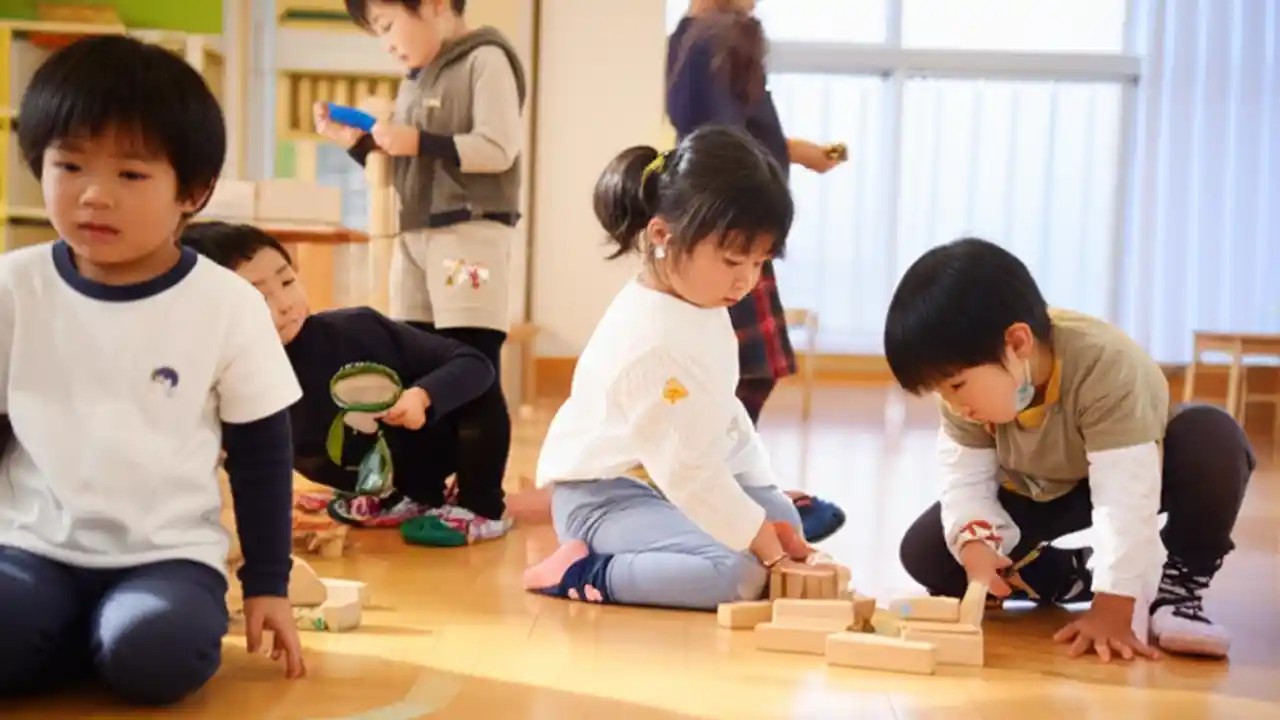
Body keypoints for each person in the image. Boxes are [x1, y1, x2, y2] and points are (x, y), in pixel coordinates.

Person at [0, 36, 305, 706]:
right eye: (70, 165)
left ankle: (87, 642)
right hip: (28, 548)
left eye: (131, 175)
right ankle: (68, 636)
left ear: (192, 192)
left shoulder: (228, 304)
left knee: (155, 651)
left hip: (164, 560)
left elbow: (261, 454)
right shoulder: (13, 288)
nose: (93, 196)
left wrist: (267, 585)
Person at [886, 237, 1254, 661]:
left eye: (954, 386)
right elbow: (964, 481)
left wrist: (1115, 604)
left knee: (1213, 440)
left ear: (1019, 343)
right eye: (939, 391)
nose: (953, 404)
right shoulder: (964, 390)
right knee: (927, 553)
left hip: (1131, 471)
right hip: (1035, 486)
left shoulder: (1106, 364)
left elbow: (1125, 494)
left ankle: (1177, 593)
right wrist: (976, 545)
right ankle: (1068, 577)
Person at [523, 126, 815, 610]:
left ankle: (729, 532)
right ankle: (584, 571)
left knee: (782, 520)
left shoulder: (700, 300)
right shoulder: (653, 343)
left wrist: (763, 498)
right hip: (606, 498)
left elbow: (723, 415)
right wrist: (757, 539)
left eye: (760, 262)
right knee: (736, 571)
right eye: (732, 260)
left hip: (667, 480)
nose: (747, 280)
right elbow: (689, 471)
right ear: (661, 235)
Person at [183, 222, 513, 543]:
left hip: (435, 439)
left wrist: (423, 396)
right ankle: (410, 496)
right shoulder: (220, 378)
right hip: (370, 465)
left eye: (287, 282)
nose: (285, 304)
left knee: (476, 393)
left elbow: (474, 364)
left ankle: (481, 507)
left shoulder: (355, 330)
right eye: (258, 297)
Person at [667, 0, 847, 542]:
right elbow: (726, 138)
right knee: (748, 366)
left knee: (734, 366)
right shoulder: (723, 37)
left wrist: (794, 151)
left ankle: (722, 487)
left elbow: (728, 132)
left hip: (719, 222)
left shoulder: (694, 35)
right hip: (729, 223)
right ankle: (715, 492)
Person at [318, 0, 526, 407]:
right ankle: (432, 469)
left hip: (468, 233)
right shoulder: (416, 78)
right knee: (416, 363)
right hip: (416, 234)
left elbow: (499, 148)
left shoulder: (487, 59)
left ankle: (478, 474)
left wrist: (417, 141)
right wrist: (359, 146)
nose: (387, 44)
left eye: (386, 25)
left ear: (434, 5)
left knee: (472, 365)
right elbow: (408, 167)